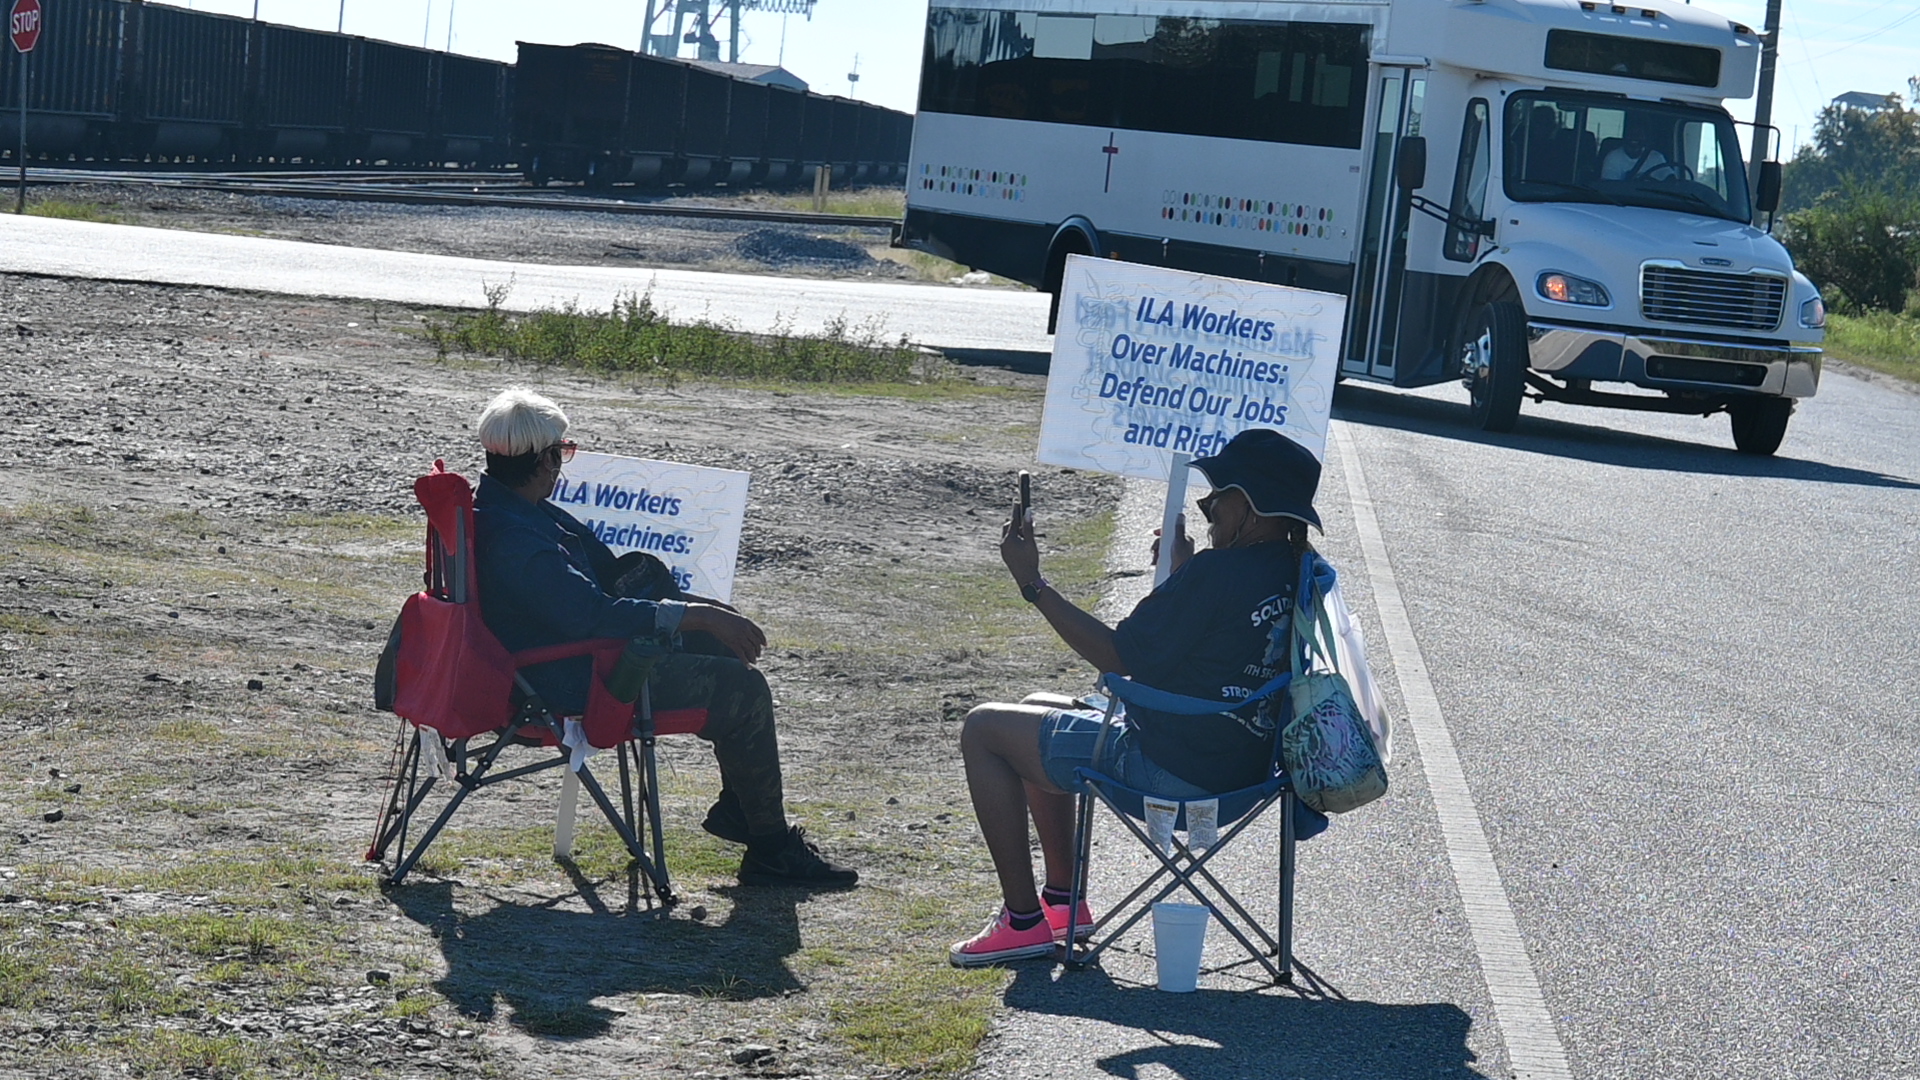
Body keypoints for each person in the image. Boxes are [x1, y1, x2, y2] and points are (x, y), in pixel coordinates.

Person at [948, 429, 1385, 967]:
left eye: (1215, 497)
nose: (1207, 509)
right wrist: (1181, 575)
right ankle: (1062, 903)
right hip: (1245, 775)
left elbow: (1119, 657)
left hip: (1172, 773)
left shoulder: (1217, 572)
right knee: (1038, 702)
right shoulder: (1298, 570)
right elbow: (1220, 647)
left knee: (984, 730)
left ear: (1248, 507)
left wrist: (1032, 583)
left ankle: (1021, 922)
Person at [470, 386, 857, 889]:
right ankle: (770, 847)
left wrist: (697, 612)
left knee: (719, 645)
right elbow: (592, 614)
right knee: (742, 689)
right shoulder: (518, 537)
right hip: (570, 681)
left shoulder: (506, 510)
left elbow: (608, 579)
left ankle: (744, 814)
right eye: (563, 451)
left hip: (558, 661)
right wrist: (692, 616)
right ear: (545, 459)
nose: (563, 463)